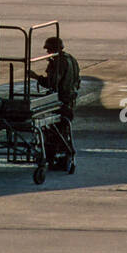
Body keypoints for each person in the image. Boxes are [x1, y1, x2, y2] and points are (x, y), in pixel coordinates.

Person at [28, 36, 80, 170]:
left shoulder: (58, 62)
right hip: (70, 100)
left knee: (55, 132)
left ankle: (57, 159)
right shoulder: (71, 59)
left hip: (61, 102)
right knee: (63, 131)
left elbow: (52, 82)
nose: (47, 52)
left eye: (49, 49)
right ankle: (62, 159)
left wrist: (36, 77)